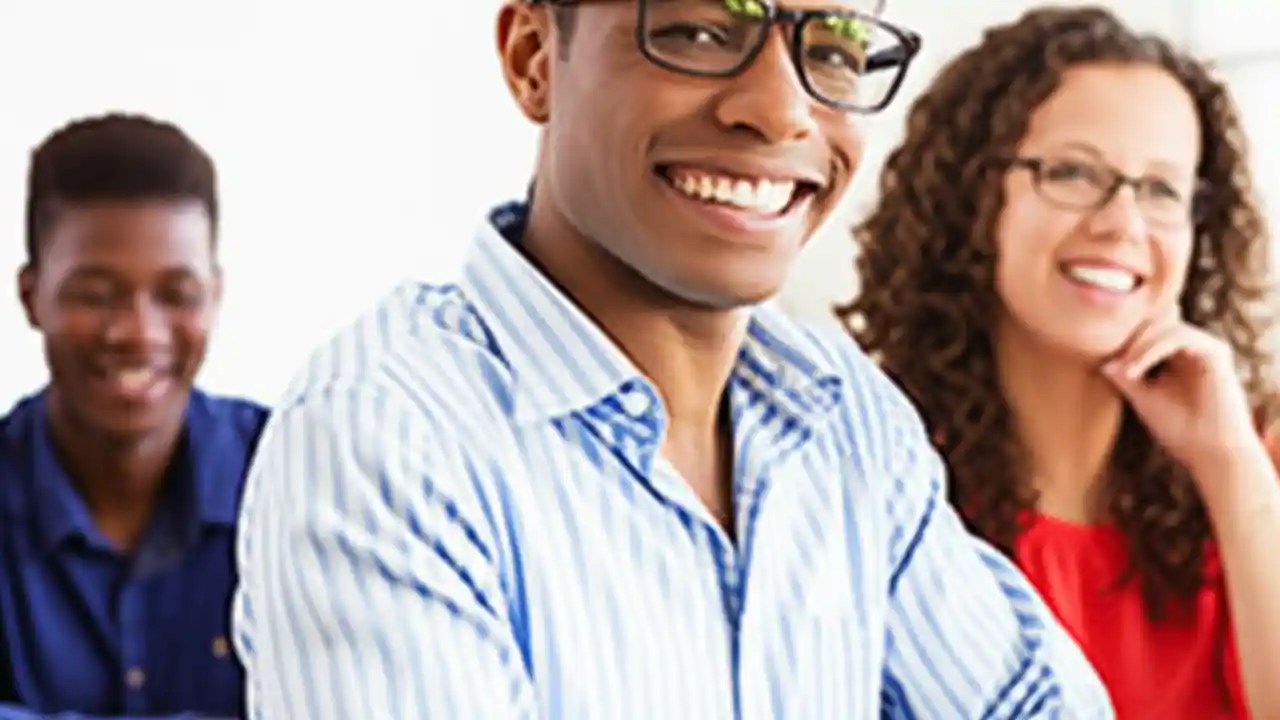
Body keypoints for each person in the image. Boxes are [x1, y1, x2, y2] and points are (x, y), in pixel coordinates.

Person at [232, 1, 1112, 717]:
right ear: (535, 57)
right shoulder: (385, 438)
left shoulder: (844, 416)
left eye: (834, 48)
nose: (778, 108)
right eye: (698, 29)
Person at [840, 6, 1280, 719]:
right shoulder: (880, 483)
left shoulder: (1251, 470)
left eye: (1163, 189)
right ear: (974, 198)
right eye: (1073, 173)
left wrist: (1232, 470)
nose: (1123, 223)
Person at [0, 114, 269, 719]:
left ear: (215, 296)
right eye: (96, 294)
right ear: (30, 295)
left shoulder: (296, 481)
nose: (138, 334)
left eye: (176, 295)